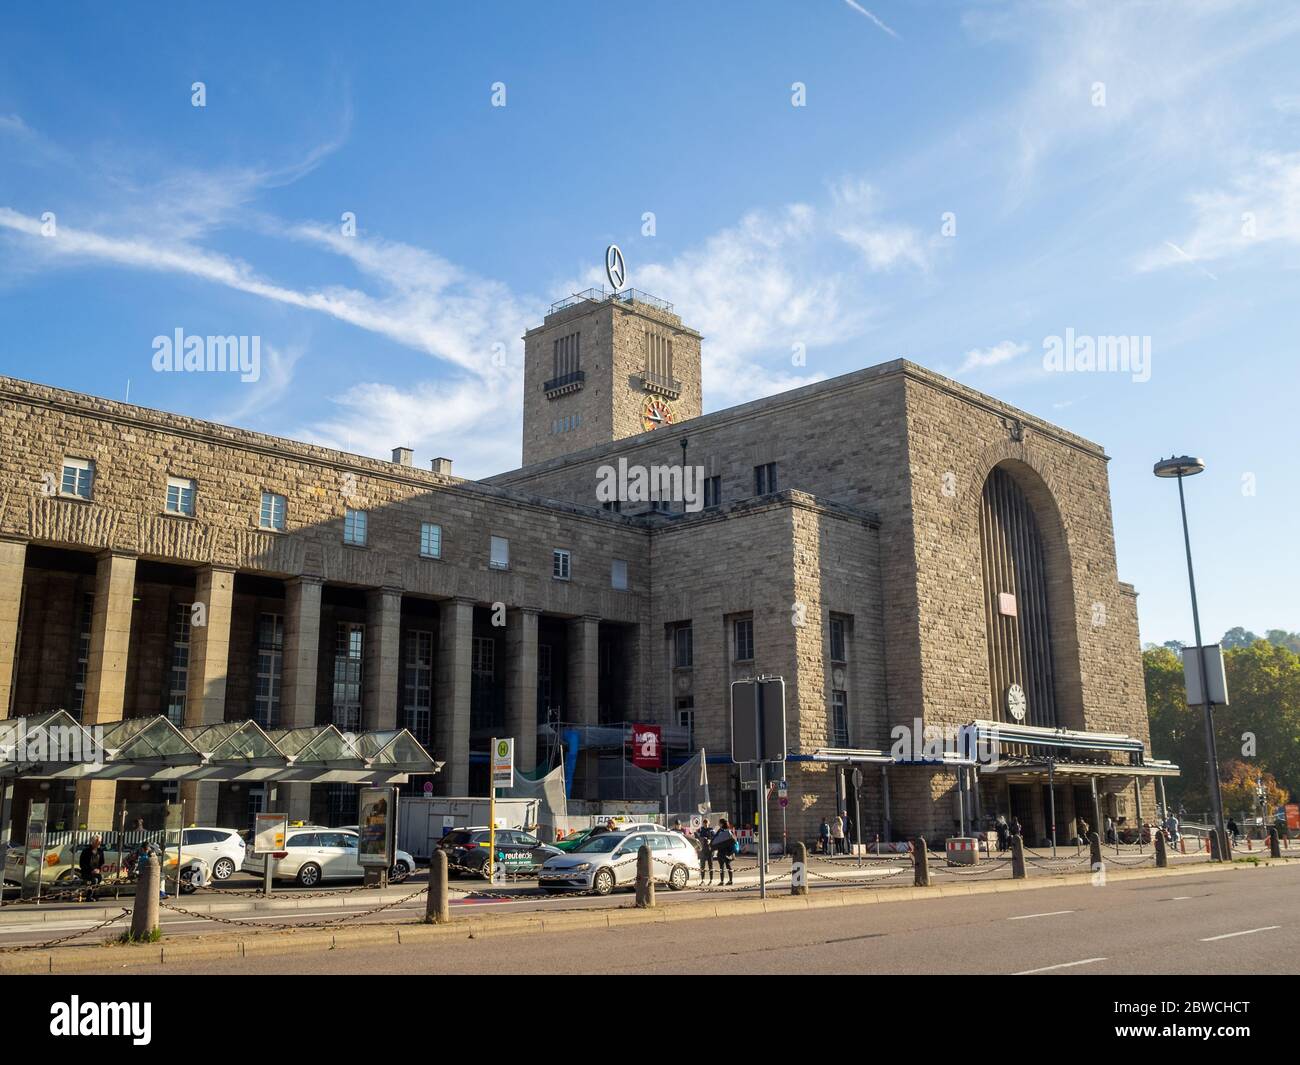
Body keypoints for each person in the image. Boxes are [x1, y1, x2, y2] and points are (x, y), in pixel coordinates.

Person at [712, 819, 736, 886]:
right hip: (728, 851)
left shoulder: (720, 831)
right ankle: (731, 880)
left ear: (722, 824)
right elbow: (734, 840)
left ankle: (722, 881)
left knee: (721, 866)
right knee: (728, 866)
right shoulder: (729, 830)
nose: (718, 824)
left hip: (721, 851)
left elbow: (715, 839)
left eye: (719, 823)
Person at [696, 818, 716, 884]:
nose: (706, 824)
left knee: (710, 865)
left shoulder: (711, 830)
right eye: (704, 823)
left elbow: (715, 838)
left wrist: (710, 840)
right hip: (703, 850)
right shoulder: (701, 829)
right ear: (703, 823)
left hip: (710, 850)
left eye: (706, 823)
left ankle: (711, 880)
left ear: (708, 823)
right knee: (702, 865)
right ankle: (702, 880)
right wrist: (700, 839)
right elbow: (696, 836)